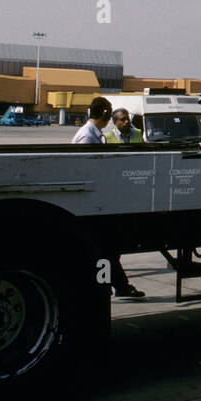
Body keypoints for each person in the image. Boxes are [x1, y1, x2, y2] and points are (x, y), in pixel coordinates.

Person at [72, 98, 144, 297]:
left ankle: (117, 287)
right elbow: (90, 171)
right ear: (105, 115)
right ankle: (105, 287)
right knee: (104, 251)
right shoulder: (88, 137)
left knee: (109, 251)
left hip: (99, 202)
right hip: (94, 204)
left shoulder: (94, 134)